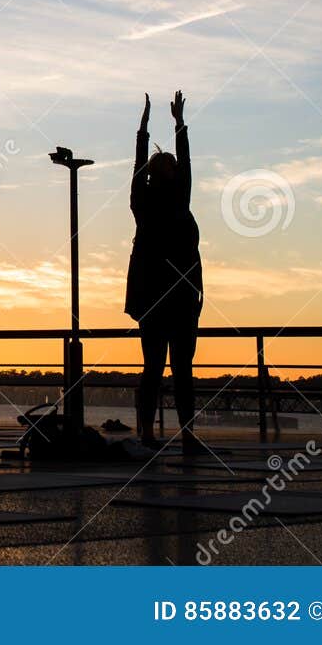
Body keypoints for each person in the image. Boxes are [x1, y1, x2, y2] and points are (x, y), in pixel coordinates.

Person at [127, 91, 204, 455]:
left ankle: (173, 433)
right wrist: (150, 127)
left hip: (177, 297)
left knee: (170, 367)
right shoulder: (150, 203)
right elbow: (140, 168)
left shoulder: (171, 201)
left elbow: (182, 164)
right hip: (162, 297)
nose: (174, 169)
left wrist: (175, 124)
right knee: (164, 367)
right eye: (168, 166)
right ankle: (155, 432)